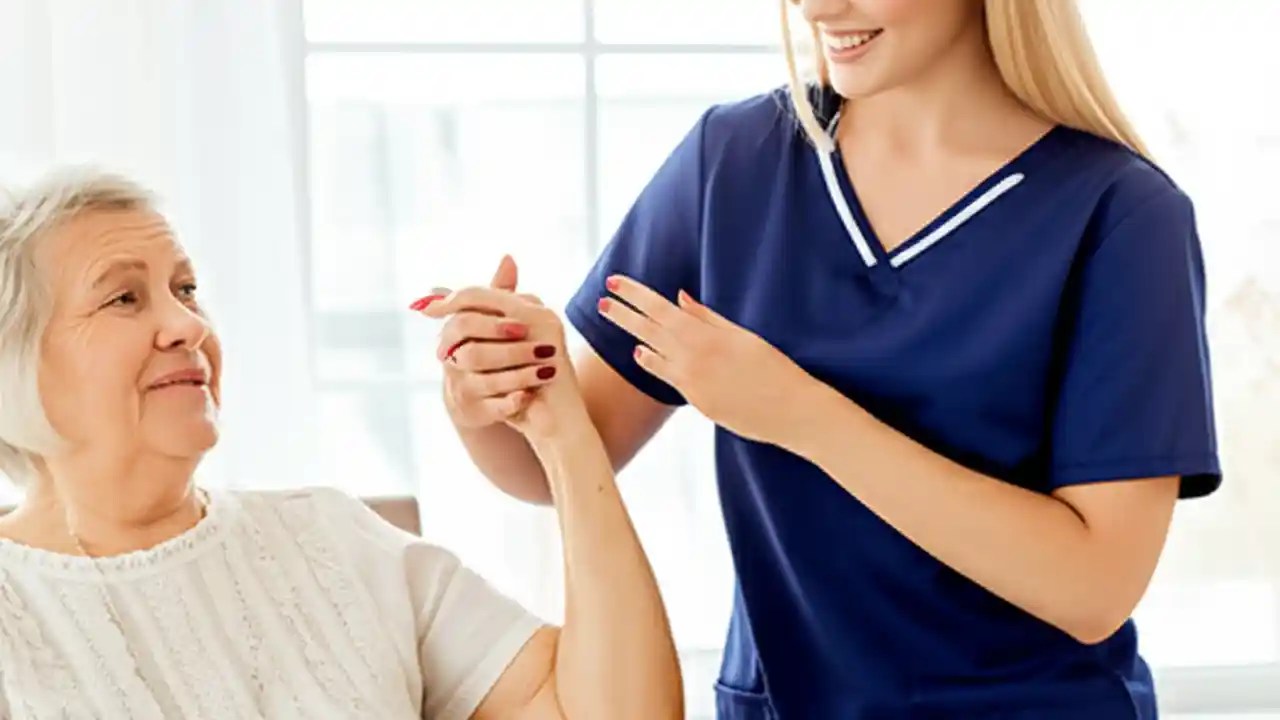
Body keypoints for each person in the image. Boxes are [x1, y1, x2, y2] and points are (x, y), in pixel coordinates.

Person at [429, 0, 1221, 717]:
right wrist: (497, 394)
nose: (817, 7)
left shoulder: (1123, 218)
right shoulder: (734, 163)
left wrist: (801, 415)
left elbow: (1093, 587)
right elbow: (555, 465)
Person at [0, 167, 683, 719]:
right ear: (16, 359)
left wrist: (562, 433)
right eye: (124, 298)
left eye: (186, 289)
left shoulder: (332, 540)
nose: (186, 324)